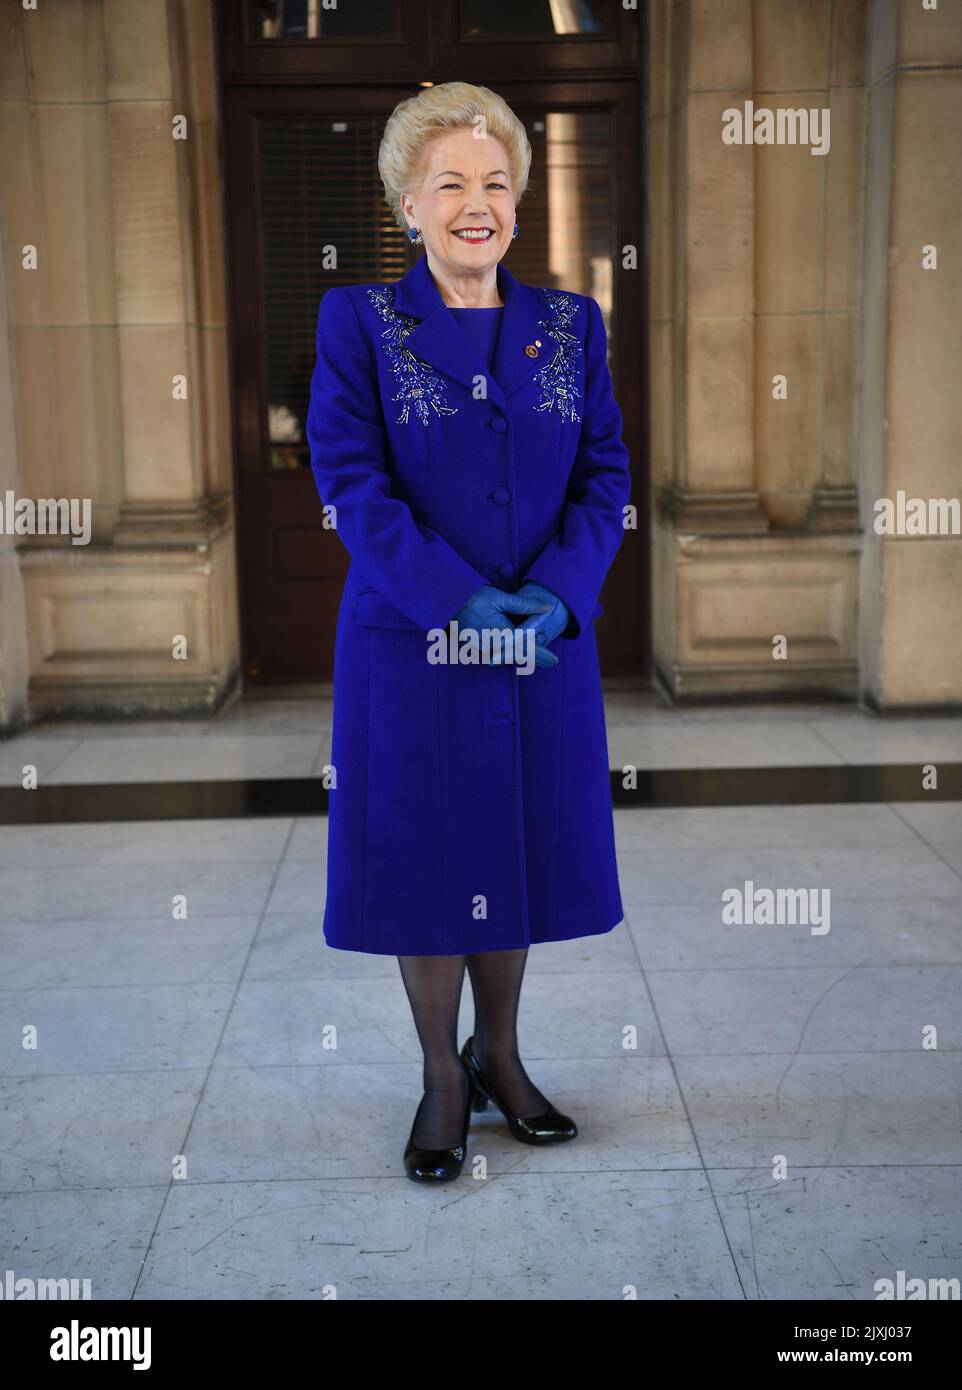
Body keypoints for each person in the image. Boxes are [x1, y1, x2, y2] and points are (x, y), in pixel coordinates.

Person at [306, 81, 631, 1183]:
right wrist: (459, 600)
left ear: (518, 201)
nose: (475, 203)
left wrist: (560, 590)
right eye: (449, 183)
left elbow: (603, 477)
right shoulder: (359, 321)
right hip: (413, 642)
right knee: (429, 853)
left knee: (515, 843)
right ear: (406, 205)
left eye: (495, 182)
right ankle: (440, 1079)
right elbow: (351, 485)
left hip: (539, 643)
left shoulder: (569, 325)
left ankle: (499, 1055)